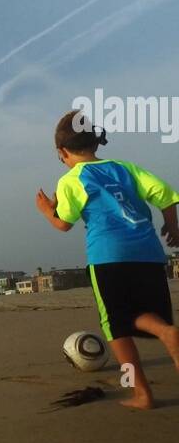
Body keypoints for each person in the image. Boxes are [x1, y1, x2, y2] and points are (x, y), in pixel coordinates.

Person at [35, 110, 179, 409]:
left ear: (62, 152)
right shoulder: (126, 168)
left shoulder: (71, 180)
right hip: (150, 254)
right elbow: (165, 194)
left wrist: (47, 210)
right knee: (143, 314)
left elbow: (64, 223)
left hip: (108, 257)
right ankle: (167, 332)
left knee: (115, 324)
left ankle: (142, 393)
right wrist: (172, 225)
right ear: (95, 143)